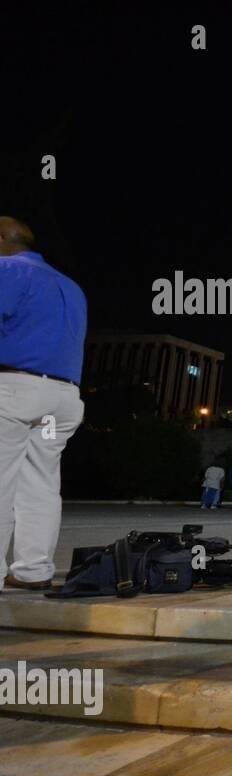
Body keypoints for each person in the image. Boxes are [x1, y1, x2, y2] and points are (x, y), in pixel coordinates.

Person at [0, 217, 87, 593]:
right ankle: (33, 571)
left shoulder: (7, 270)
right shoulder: (70, 285)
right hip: (61, 400)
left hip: (15, 392)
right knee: (41, 483)